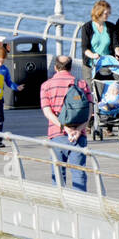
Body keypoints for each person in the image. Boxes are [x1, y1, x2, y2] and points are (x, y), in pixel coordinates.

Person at [39, 55, 90, 191]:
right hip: (79, 136)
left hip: (56, 135)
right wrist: (78, 130)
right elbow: (89, 111)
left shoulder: (46, 86)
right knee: (78, 174)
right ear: (71, 67)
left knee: (58, 175)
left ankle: (61, 206)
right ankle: (80, 204)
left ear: (55, 67)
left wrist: (65, 128)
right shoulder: (82, 84)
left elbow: (47, 112)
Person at [81, 0, 117, 80]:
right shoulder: (87, 27)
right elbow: (84, 47)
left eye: (109, 13)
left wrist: (118, 52)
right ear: (98, 12)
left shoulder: (111, 27)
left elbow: (115, 44)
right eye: (106, 13)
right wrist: (93, 55)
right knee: (91, 90)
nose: (108, 15)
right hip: (90, 64)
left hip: (106, 64)